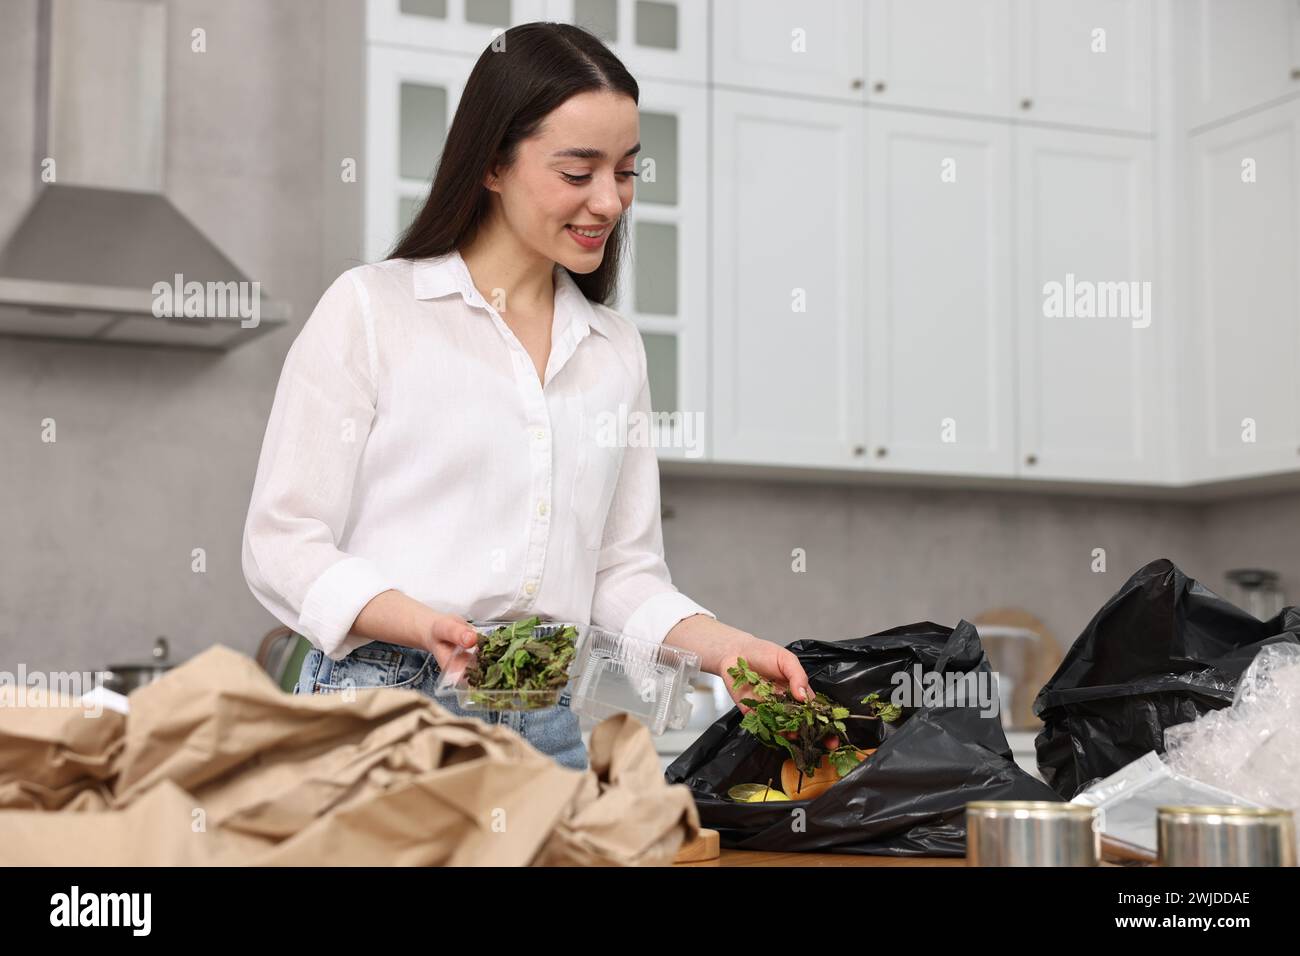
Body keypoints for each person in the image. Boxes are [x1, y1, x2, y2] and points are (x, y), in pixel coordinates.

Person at [241, 22, 812, 772]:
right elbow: (282, 540)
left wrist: (729, 650)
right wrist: (422, 624)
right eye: (578, 173)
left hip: (543, 723)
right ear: (492, 165)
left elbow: (620, 574)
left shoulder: (614, 352)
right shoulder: (374, 311)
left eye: (627, 171)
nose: (609, 201)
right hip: (379, 713)